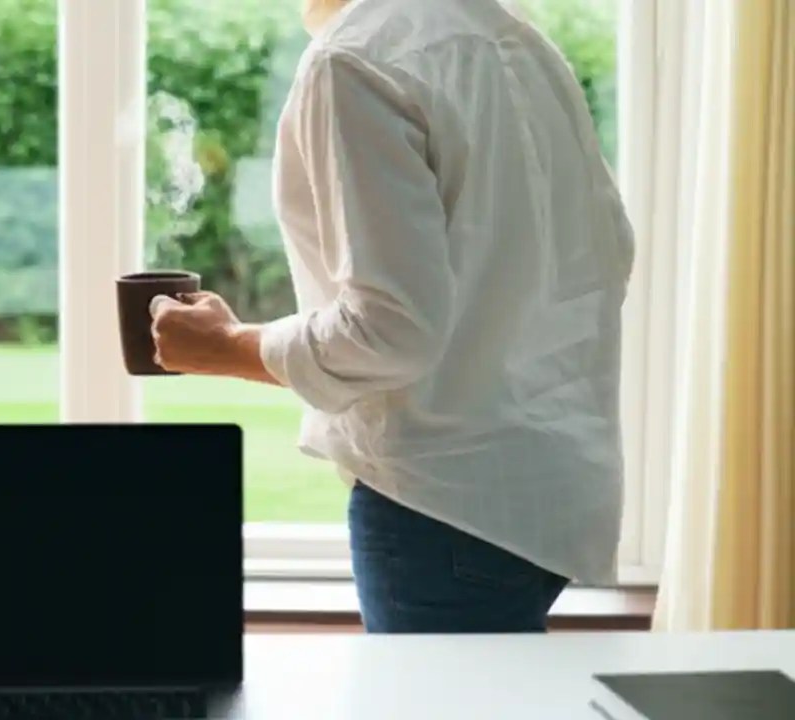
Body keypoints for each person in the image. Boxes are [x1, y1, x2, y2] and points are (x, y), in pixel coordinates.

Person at [149, 0, 635, 634]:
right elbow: (607, 252)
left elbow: (389, 331)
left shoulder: (352, 62)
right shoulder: (511, 37)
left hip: (445, 505)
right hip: (554, 487)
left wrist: (231, 346)